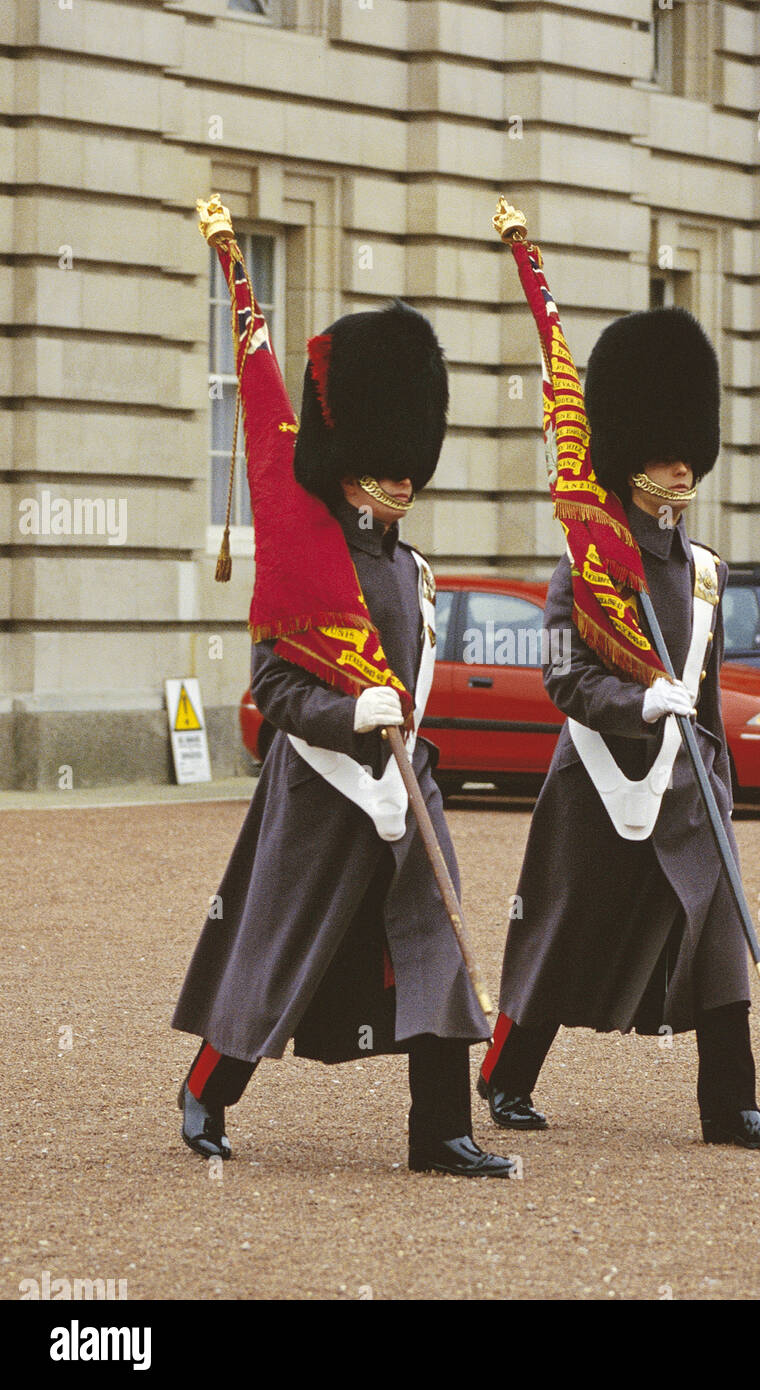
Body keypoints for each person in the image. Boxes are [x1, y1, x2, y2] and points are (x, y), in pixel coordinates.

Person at [173, 300, 514, 1177]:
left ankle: (439, 1132)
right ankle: (208, 1086)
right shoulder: (304, 565)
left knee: (435, 943)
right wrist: (346, 715)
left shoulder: (412, 569)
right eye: (388, 466)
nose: (403, 482)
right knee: (277, 947)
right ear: (349, 459)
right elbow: (273, 689)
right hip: (320, 790)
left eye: (411, 468)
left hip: (406, 787)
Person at [477, 306, 760, 1152]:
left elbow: (710, 684)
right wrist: (633, 703)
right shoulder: (579, 571)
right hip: (597, 781)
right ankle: (505, 1076)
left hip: (687, 782)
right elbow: (561, 678)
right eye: (663, 457)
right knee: (562, 931)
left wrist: (719, 780)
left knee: (718, 931)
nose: (678, 470)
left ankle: (729, 1108)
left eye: (687, 455)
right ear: (629, 466)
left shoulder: (703, 576)